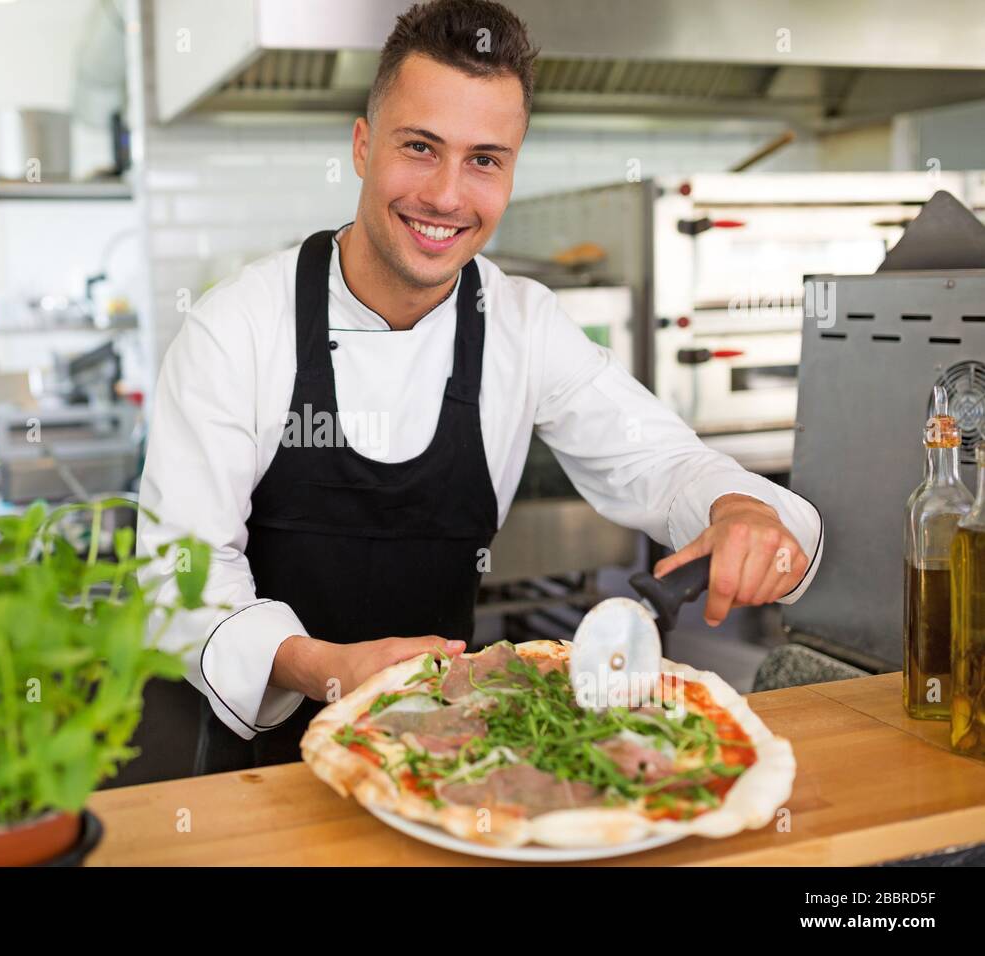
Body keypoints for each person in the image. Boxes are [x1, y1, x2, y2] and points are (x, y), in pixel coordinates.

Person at [135, 0, 824, 774]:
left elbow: (659, 461)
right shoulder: (238, 327)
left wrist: (737, 508)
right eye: (420, 147)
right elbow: (178, 579)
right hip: (257, 766)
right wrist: (322, 666)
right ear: (363, 147)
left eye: (485, 160)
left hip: (445, 764)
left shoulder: (521, 324)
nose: (447, 195)